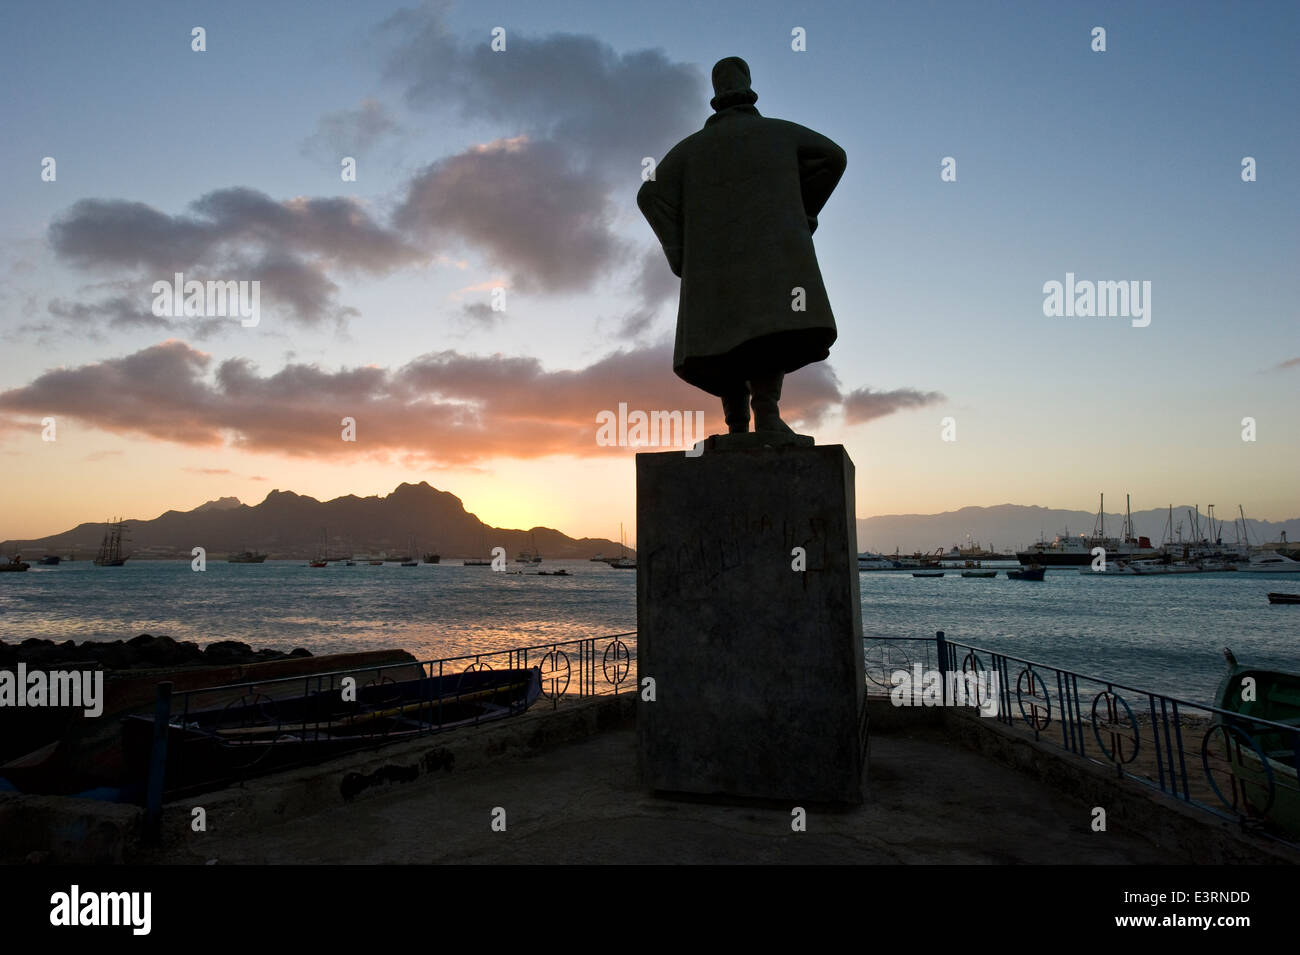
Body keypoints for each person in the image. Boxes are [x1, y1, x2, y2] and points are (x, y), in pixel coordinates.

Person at [637, 56, 846, 435]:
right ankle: (765, 414)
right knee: (767, 333)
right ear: (748, 85)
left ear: (716, 93)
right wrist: (804, 212)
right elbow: (833, 158)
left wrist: (678, 248)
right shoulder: (779, 133)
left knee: (725, 340)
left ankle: (738, 423)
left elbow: (649, 194)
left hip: (713, 267)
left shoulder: (691, 149)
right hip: (770, 258)